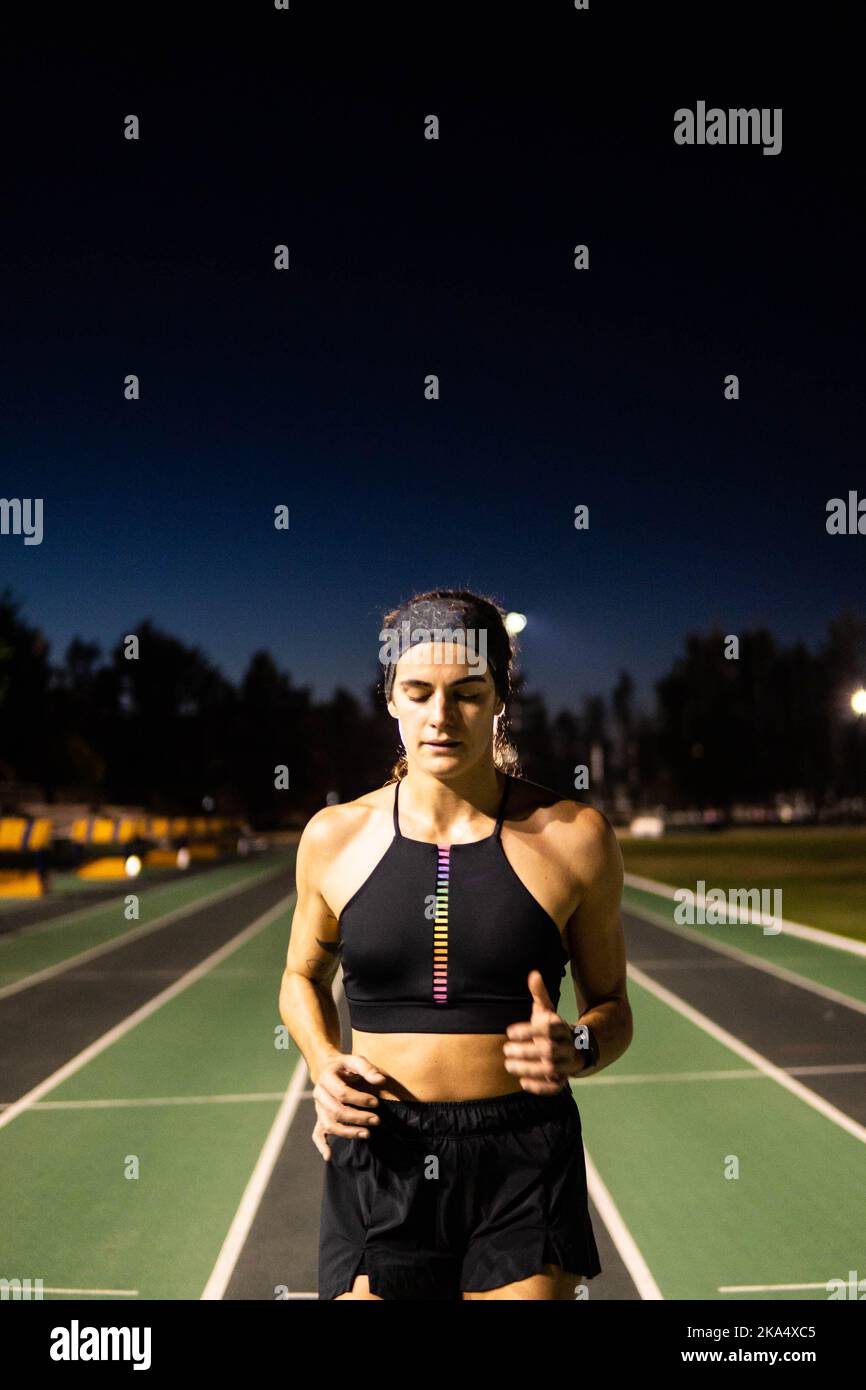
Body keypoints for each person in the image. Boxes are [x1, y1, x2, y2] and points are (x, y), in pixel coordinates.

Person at [279, 588, 632, 1300]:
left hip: (523, 1155)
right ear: (391, 699)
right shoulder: (333, 838)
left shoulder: (574, 838)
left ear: (501, 696)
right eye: (419, 691)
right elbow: (300, 977)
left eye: (468, 694)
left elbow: (613, 1006)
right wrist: (324, 1063)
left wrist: (580, 1048)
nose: (441, 717)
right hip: (381, 1148)